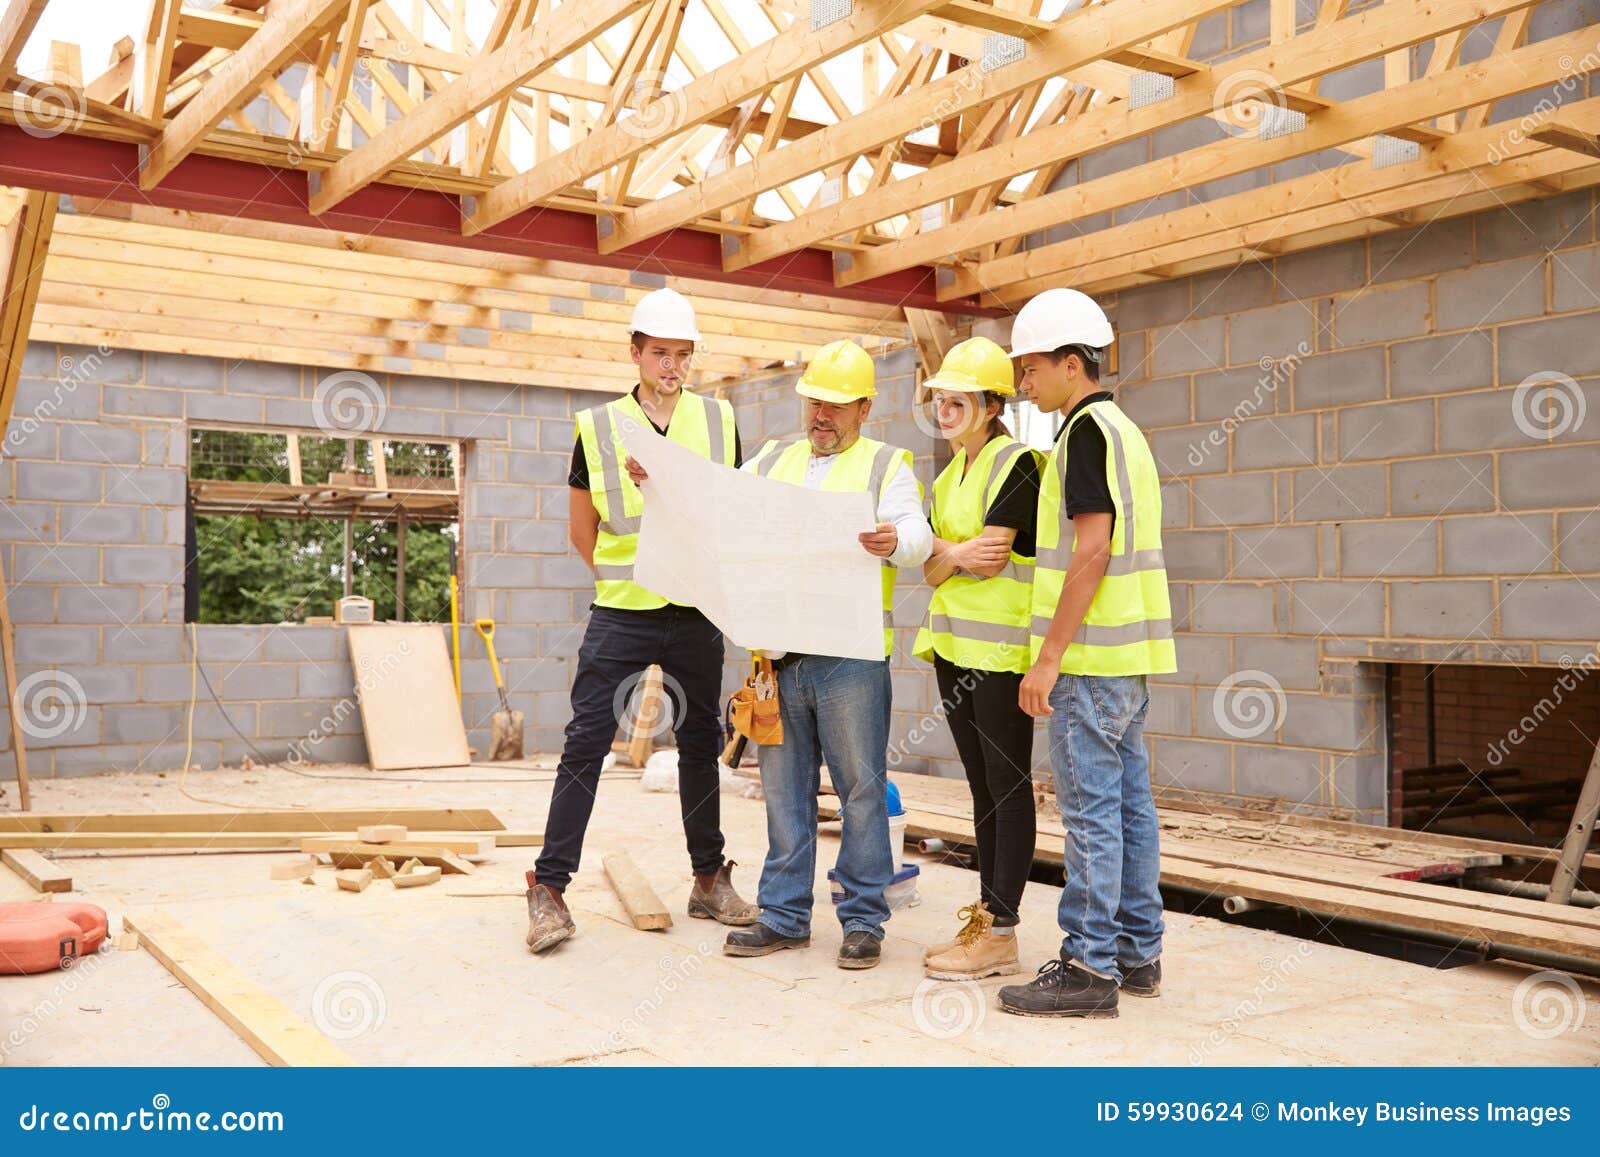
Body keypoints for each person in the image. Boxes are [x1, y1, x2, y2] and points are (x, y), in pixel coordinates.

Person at [525, 287, 759, 954]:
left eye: (683, 355)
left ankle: (708, 877)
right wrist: (626, 578)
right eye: (660, 353)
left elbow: (729, 512)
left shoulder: (718, 419)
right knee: (586, 740)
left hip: (694, 608)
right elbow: (582, 532)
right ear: (634, 352)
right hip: (623, 608)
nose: (672, 366)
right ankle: (548, 888)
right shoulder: (596, 427)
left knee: (699, 740)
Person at [721, 340, 933, 970]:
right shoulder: (769, 460)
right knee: (785, 794)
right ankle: (784, 917)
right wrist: (661, 485)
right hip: (780, 658)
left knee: (860, 793)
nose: (822, 415)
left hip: (851, 659)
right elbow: (720, 507)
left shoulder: (885, 465)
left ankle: (863, 920)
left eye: (838, 406)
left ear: (865, 408)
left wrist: (897, 539)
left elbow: (918, 536)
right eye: (815, 401)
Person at [995, 288, 1178, 1018]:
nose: (1023, 383)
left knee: (1094, 814)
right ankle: (1136, 951)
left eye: (1031, 367)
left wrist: (1047, 658)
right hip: (1126, 661)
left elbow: (1092, 550)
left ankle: (1087, 965)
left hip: (1089, 664)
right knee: (1130, 807)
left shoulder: (1084, 435)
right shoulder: (1125, 431)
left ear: (1073, 364)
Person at [910, 337, 1042, 981]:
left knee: (1008, 784)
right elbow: (932, 572)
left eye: (958, 396)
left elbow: (991, 554)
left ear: (992, 404)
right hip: (954, 646)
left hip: (999, 650)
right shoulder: (945, 475)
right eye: (939, 396)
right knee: (982, 787)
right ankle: (988, 923)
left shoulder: (1017, 464)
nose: (944, 405)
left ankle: (1003, 929)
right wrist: (952, 554)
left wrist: (947, 550)